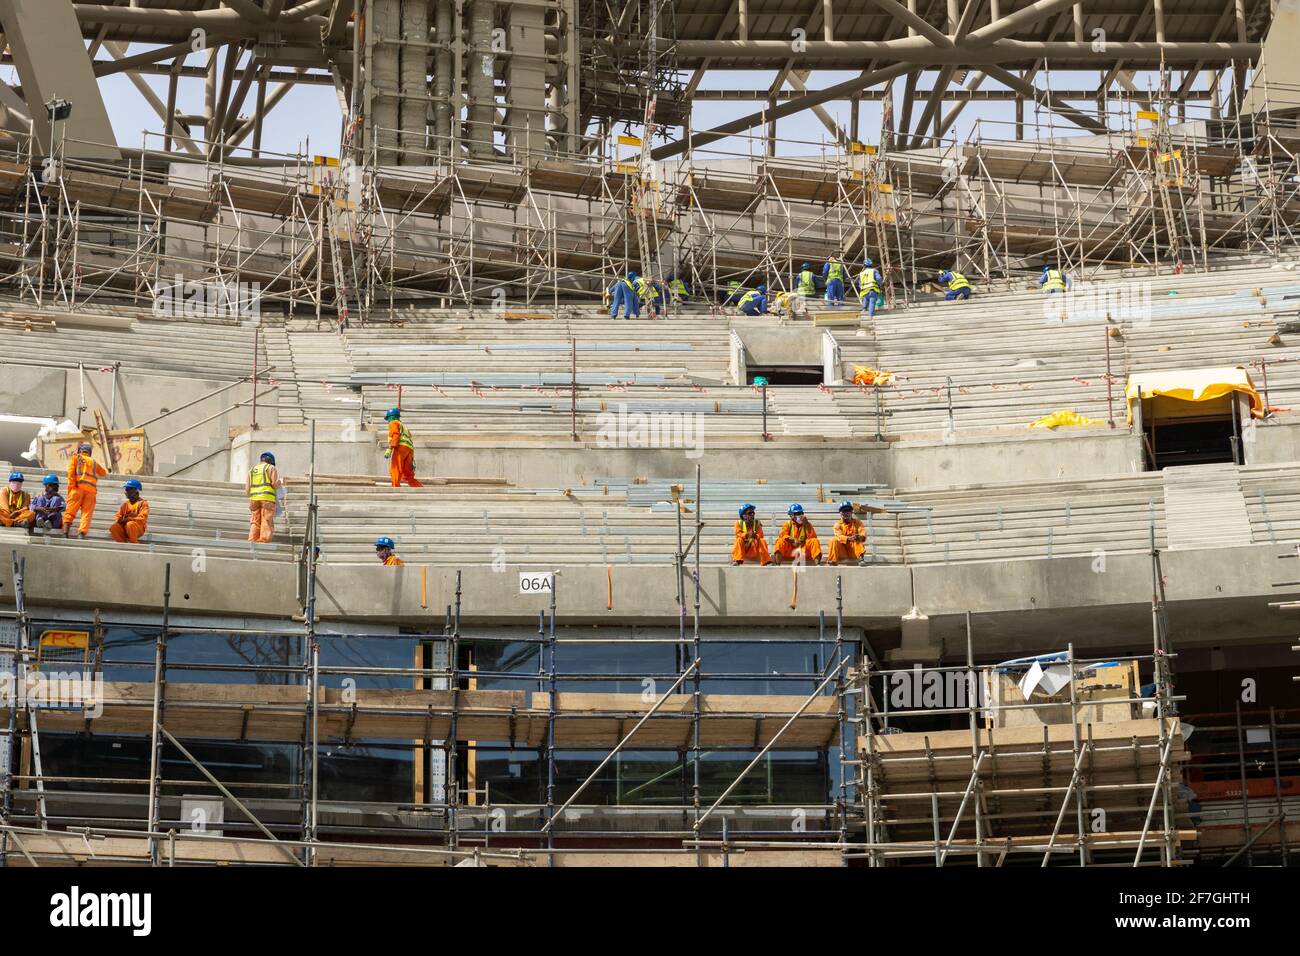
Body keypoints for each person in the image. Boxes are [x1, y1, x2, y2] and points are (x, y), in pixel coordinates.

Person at [63, 441, 107, 538]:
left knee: (70, 511)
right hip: (90, 492)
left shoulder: (75, 457)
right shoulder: (94, 462)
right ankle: (81, 534)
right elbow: (104, 473)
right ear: (89, 452)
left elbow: (71, 475)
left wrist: (71, 489)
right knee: (86, 514)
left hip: (77, 489)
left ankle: (65, 533)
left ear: (80, 451)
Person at [246, 451, 284, 543]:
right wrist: (280, 482)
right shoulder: (270, 468)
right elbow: (274, 484)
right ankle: (264, 540)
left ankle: (252, 538)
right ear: (270, 460)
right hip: (267, 498)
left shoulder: (251, 470)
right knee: (266, 519)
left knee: (255, 520)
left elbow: (247, 489)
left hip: (253, 499)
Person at [384, 407, 423, 488]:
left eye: (388, 418)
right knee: (407, 473)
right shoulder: (404, 426)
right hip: (409, 450)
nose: (388, 421)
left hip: (400, 448)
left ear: (392, 417)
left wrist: (390, 448)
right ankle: (419, 488)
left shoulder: (394, 423)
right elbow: (409, 437)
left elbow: (396, 435)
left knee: (396, 468)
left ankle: (395, 488)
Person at [827, 500, 868, 566]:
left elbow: (863, 533)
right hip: (842, 552)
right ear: (840, 513)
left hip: (854, 551)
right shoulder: (837, 524)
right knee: (833, 540)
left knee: (858, 538)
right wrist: (849, 538)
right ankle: (832, 560)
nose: (846, 513)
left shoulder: (857, 522)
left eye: (848, 511)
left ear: (851, 512)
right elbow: (839, 536)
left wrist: (860, 537)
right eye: (844, 511)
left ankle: (861, 559)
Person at [109, 479, 149, 544]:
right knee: (114, 527)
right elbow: (118, 515)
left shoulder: (143, 503)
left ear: (136, 490)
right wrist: (119, 519)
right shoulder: (125, 504)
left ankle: (134, 544)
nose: (126, 491)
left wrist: (129, 519)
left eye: (128, 489)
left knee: (130, 524)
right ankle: (122, 544)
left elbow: (143, 518)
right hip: (125, 528)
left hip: (138, 528)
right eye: (126, 489)